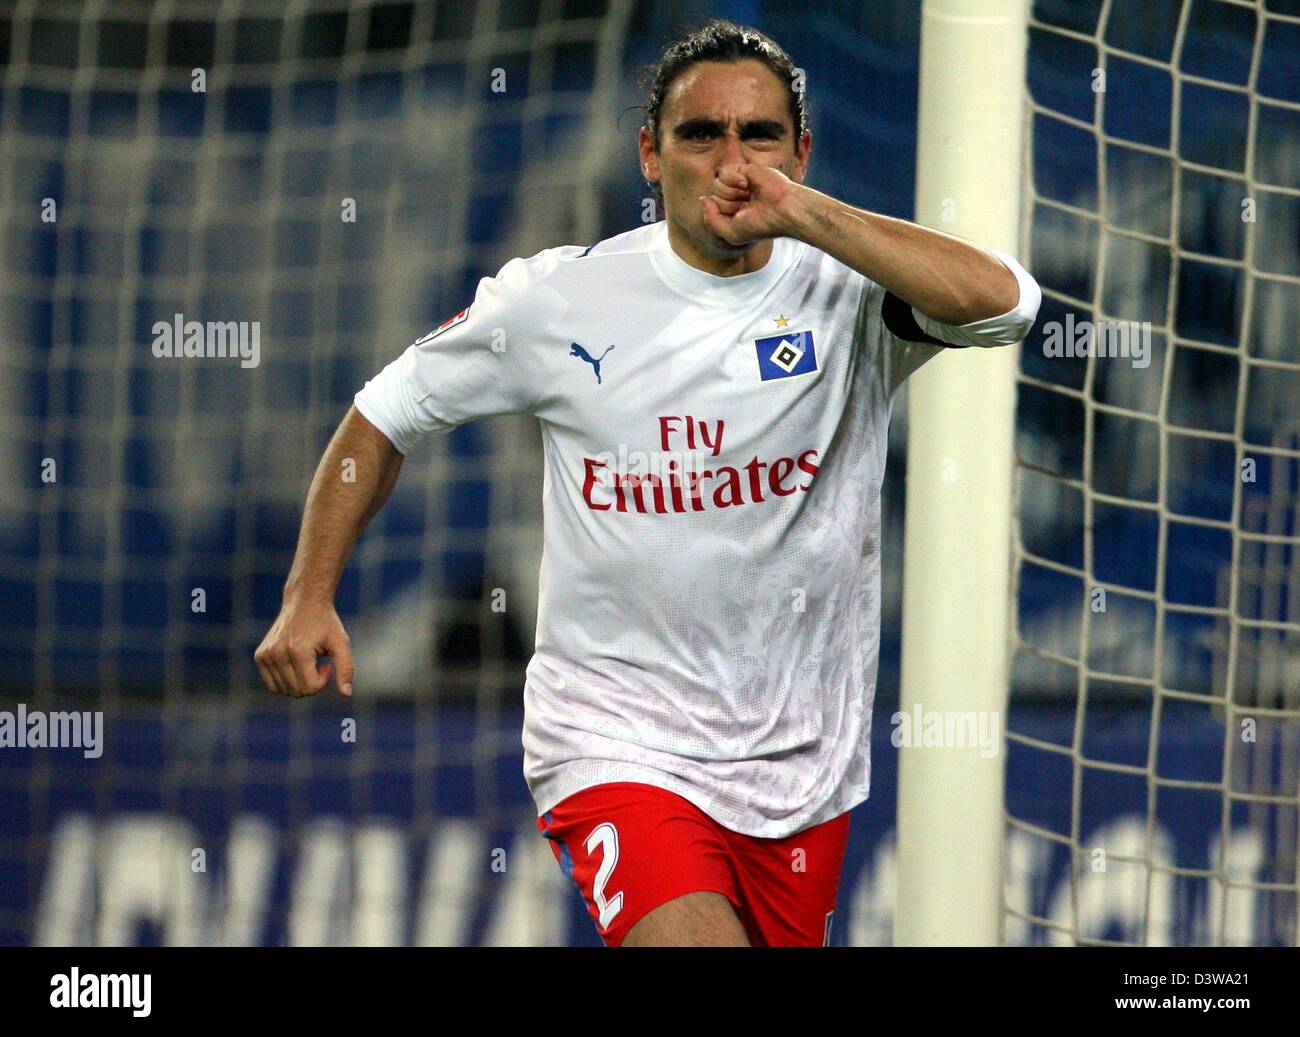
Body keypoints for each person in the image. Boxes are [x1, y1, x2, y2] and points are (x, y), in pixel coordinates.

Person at [254, 18, 1041, 947]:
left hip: (800, 768)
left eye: (760, 136)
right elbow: (385, 414)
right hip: (617, 743)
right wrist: (309, 594)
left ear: (801, 151)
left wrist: (806, 215)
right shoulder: (559, 301)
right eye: (700, 134)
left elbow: (1008, 305)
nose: (731, 161)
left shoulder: (848, 294)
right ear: (648, 154)